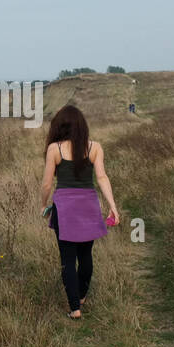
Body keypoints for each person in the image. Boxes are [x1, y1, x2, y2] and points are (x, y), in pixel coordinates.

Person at [39, 105, 119, 319]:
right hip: (88, 205)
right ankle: (82, 295)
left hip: (64, 207)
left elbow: (47, 184)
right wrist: (112, 205)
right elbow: (102, 177)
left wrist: (42, 205)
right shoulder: (94, 147)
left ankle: (75, 308)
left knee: (67, 259)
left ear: (59, 126)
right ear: (82, 126)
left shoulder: (54, 149)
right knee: (85, 256)